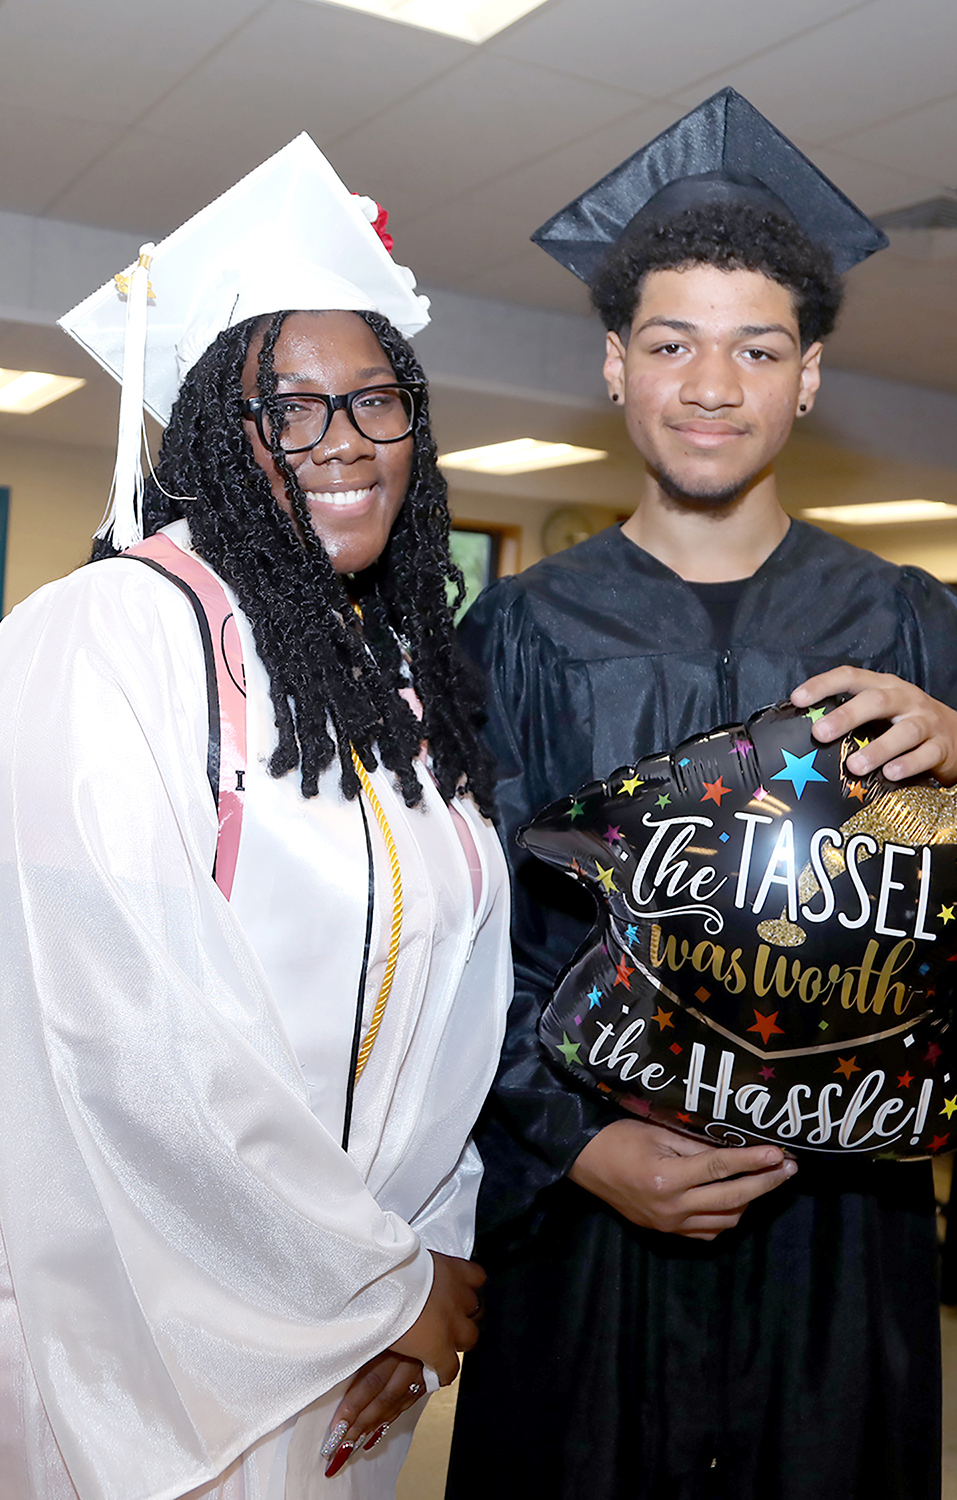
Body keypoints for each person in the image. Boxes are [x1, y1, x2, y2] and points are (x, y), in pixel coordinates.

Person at [446, 89, 957, 1500]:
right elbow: (448, 944)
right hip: (590, 1218)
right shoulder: (511, 635)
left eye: (757, 349)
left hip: (840, 1228)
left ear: (808, 377)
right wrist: (574, 1150)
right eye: (673, 344)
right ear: (614, 366)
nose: (712, 385)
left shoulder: (916, 625)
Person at [0, 135, 511, 1500]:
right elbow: (126, 1032)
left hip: (365, 1339)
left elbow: (455, 1002)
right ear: (208, 443)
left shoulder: (396, 678)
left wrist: (436, 1249)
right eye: (285, 409)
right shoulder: (111, 635)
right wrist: (380, 1283)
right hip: (157, 1343)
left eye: (373, 399)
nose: (341, 443)